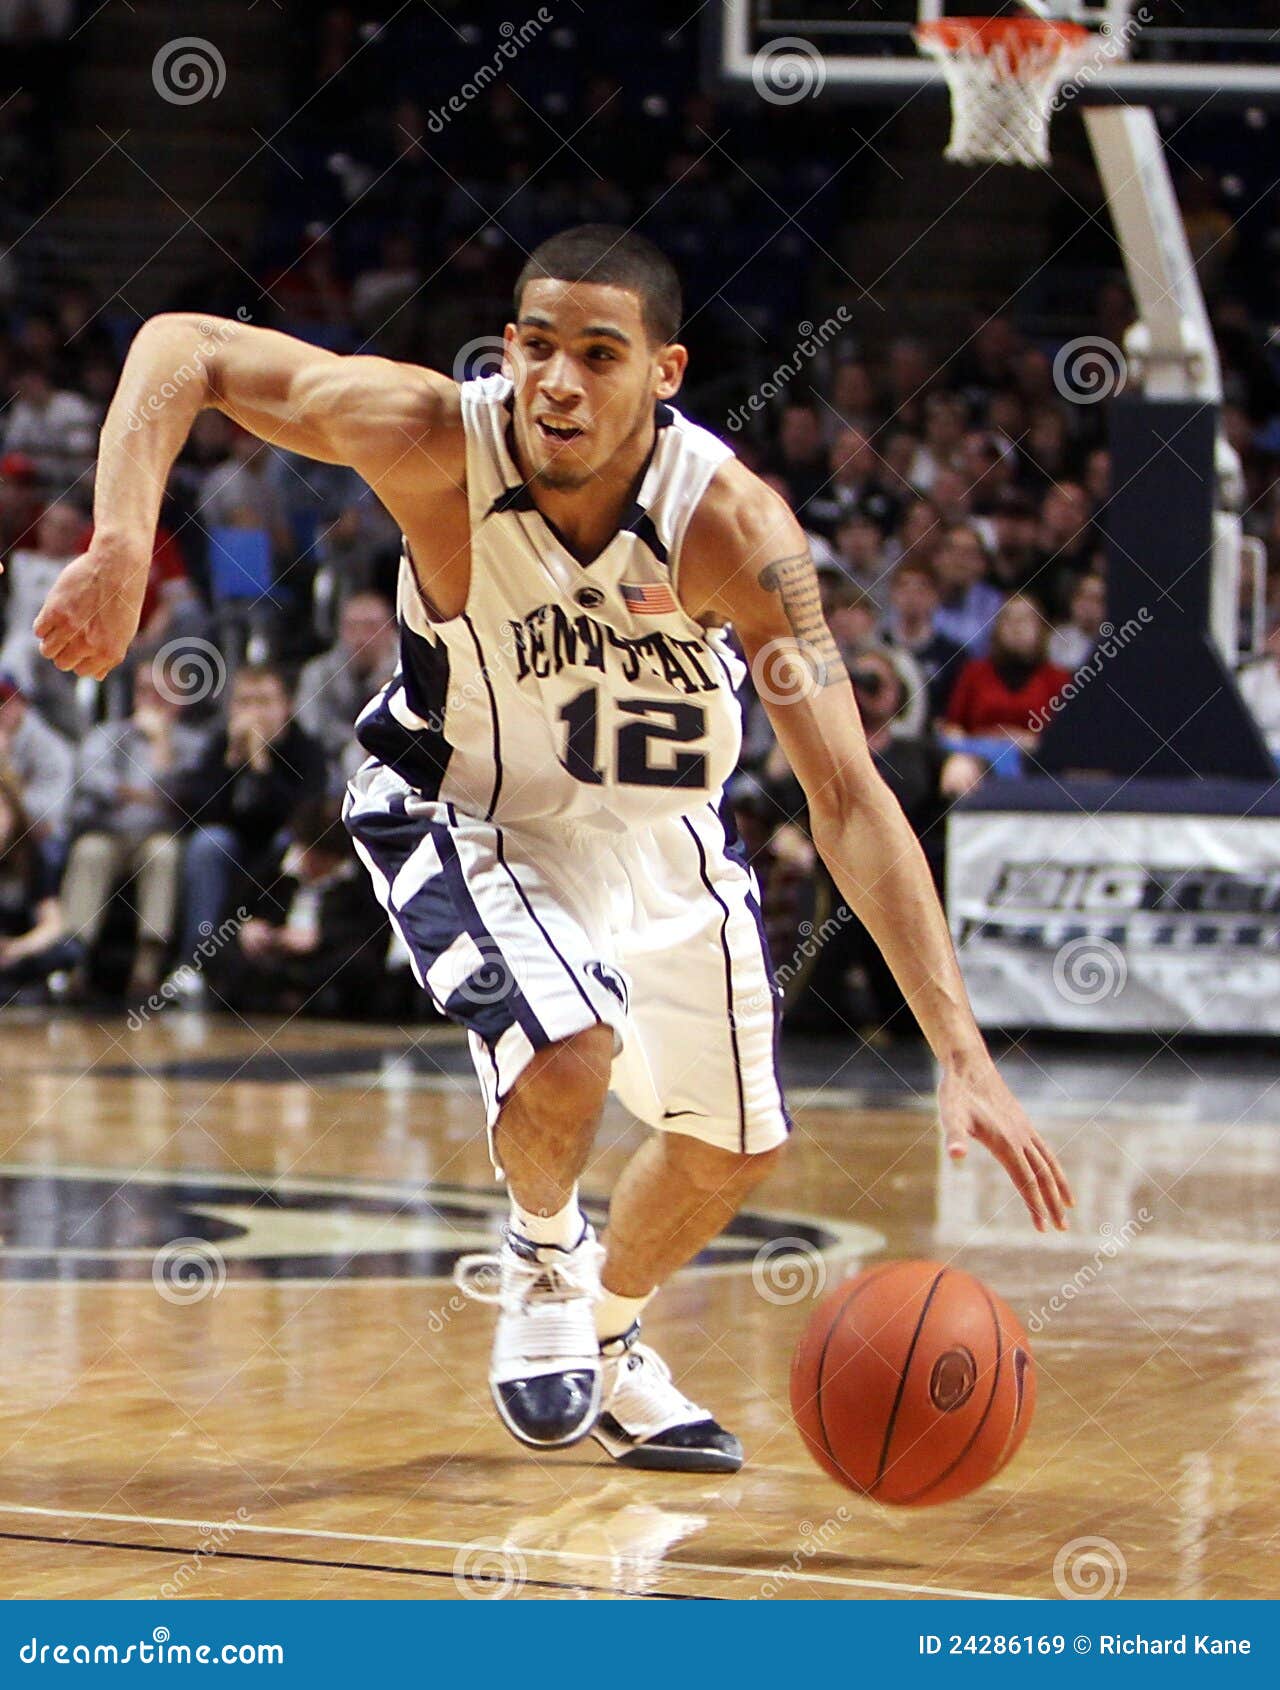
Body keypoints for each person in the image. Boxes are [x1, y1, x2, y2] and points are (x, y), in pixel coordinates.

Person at [34, 223, 1072, 1473]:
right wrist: (119, 541)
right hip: (471, 806)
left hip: (661, 834)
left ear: (665, 371)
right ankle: (537, 1252)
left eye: (597, 353)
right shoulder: (431, 440)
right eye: (535, 347)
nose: (557, 383)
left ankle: (612, 1331)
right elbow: (186, 346)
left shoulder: (732, 528)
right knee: (570, 1047)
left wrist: (959, 1048)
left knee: (733, 1146)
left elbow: (846, 796)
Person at [168, 663, 327, 1000]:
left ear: (286, 706)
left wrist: (261, 765)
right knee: (208, 844)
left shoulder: (306, 749)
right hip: (233, 848)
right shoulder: (219, 747)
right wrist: (231, 765)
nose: (253, 712)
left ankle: (272, 958)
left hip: (281, 849)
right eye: (244, 702)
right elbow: (194, 816)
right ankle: (197, 959)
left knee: (288, 844)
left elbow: (302, 817)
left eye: (264, 701)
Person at [60, 661, 211, 1001]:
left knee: (162, 854)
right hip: (108, 833)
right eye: (144, 691)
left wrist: (161, 746)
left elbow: (185, 797)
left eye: (162, 692)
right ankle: (72, 963)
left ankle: (147, 966)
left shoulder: (194, 744)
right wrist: (147, 796)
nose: (151, 700)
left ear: (181, 698)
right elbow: (92, 782)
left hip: (160, 837)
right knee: (90, 852)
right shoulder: (108, 734)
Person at [211, 798, 390, 1019]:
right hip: (272, 956)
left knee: (357, 962)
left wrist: (322, 937)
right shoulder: (273, 866)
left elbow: (376, 934)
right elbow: (231, 911)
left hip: (323, 962)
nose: (310, 863)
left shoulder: (360, 881)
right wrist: (247, 928)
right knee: (221, 949)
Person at [294, 591, 398, 786]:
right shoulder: (318, 671)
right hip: (332, 759)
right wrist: (356, 740)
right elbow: (309, 724)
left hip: (395, 756)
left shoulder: (408, 670)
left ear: (390, 629)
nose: (361, 637)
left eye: (370, 627)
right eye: (352, 627)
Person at [944, 594, 1071, 751]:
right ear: (997, 628)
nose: (1016, 627)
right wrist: (977, 742)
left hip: (1037, 760)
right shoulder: (974, 673)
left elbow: (1068, 736)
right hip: (978, 756)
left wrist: (1030, 742)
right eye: (1009, 619)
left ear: (1040, 627)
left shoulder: (1058, 679)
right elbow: (952, 727)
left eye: (1025, 619)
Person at [0, 766, 77, 1005]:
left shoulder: (32, 854)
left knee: (69, 949)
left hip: (15, 949)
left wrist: (18, 948)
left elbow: (52, 924)